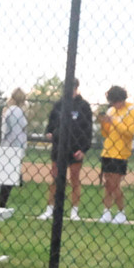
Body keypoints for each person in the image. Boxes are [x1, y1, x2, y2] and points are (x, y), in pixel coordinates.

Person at [40, 78, 93, 221]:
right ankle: (50, 209)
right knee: (55, 179)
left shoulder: (84, 106)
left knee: (74, 180)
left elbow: (88, 130)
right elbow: (51, 123)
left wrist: (83, 149)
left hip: (75, 149)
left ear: (76, 88)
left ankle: (74, 212)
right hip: (58, 148)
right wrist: (49, 132)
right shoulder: (59, 104)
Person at [97, 85, 134, 223]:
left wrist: (114, 122)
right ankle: (106, 212)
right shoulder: (111, 110)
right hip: (108, 150)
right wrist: (104, 123)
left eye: (115, 102)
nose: (114, 105)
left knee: (115, 184)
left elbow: (129, 132)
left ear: (121, 99)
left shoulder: (132, 111)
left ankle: (121, 212)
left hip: (121, 153)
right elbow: (106, 133)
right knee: (107, 184)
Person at [0, 87, 29, 208]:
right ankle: (1, 203)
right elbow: (15, 132)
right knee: (8, 177)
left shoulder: (10, 110)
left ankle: (1, 202)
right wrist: (19, 149)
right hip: (13, 148)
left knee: (7, 176)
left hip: (9, 146)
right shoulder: (16, 111)